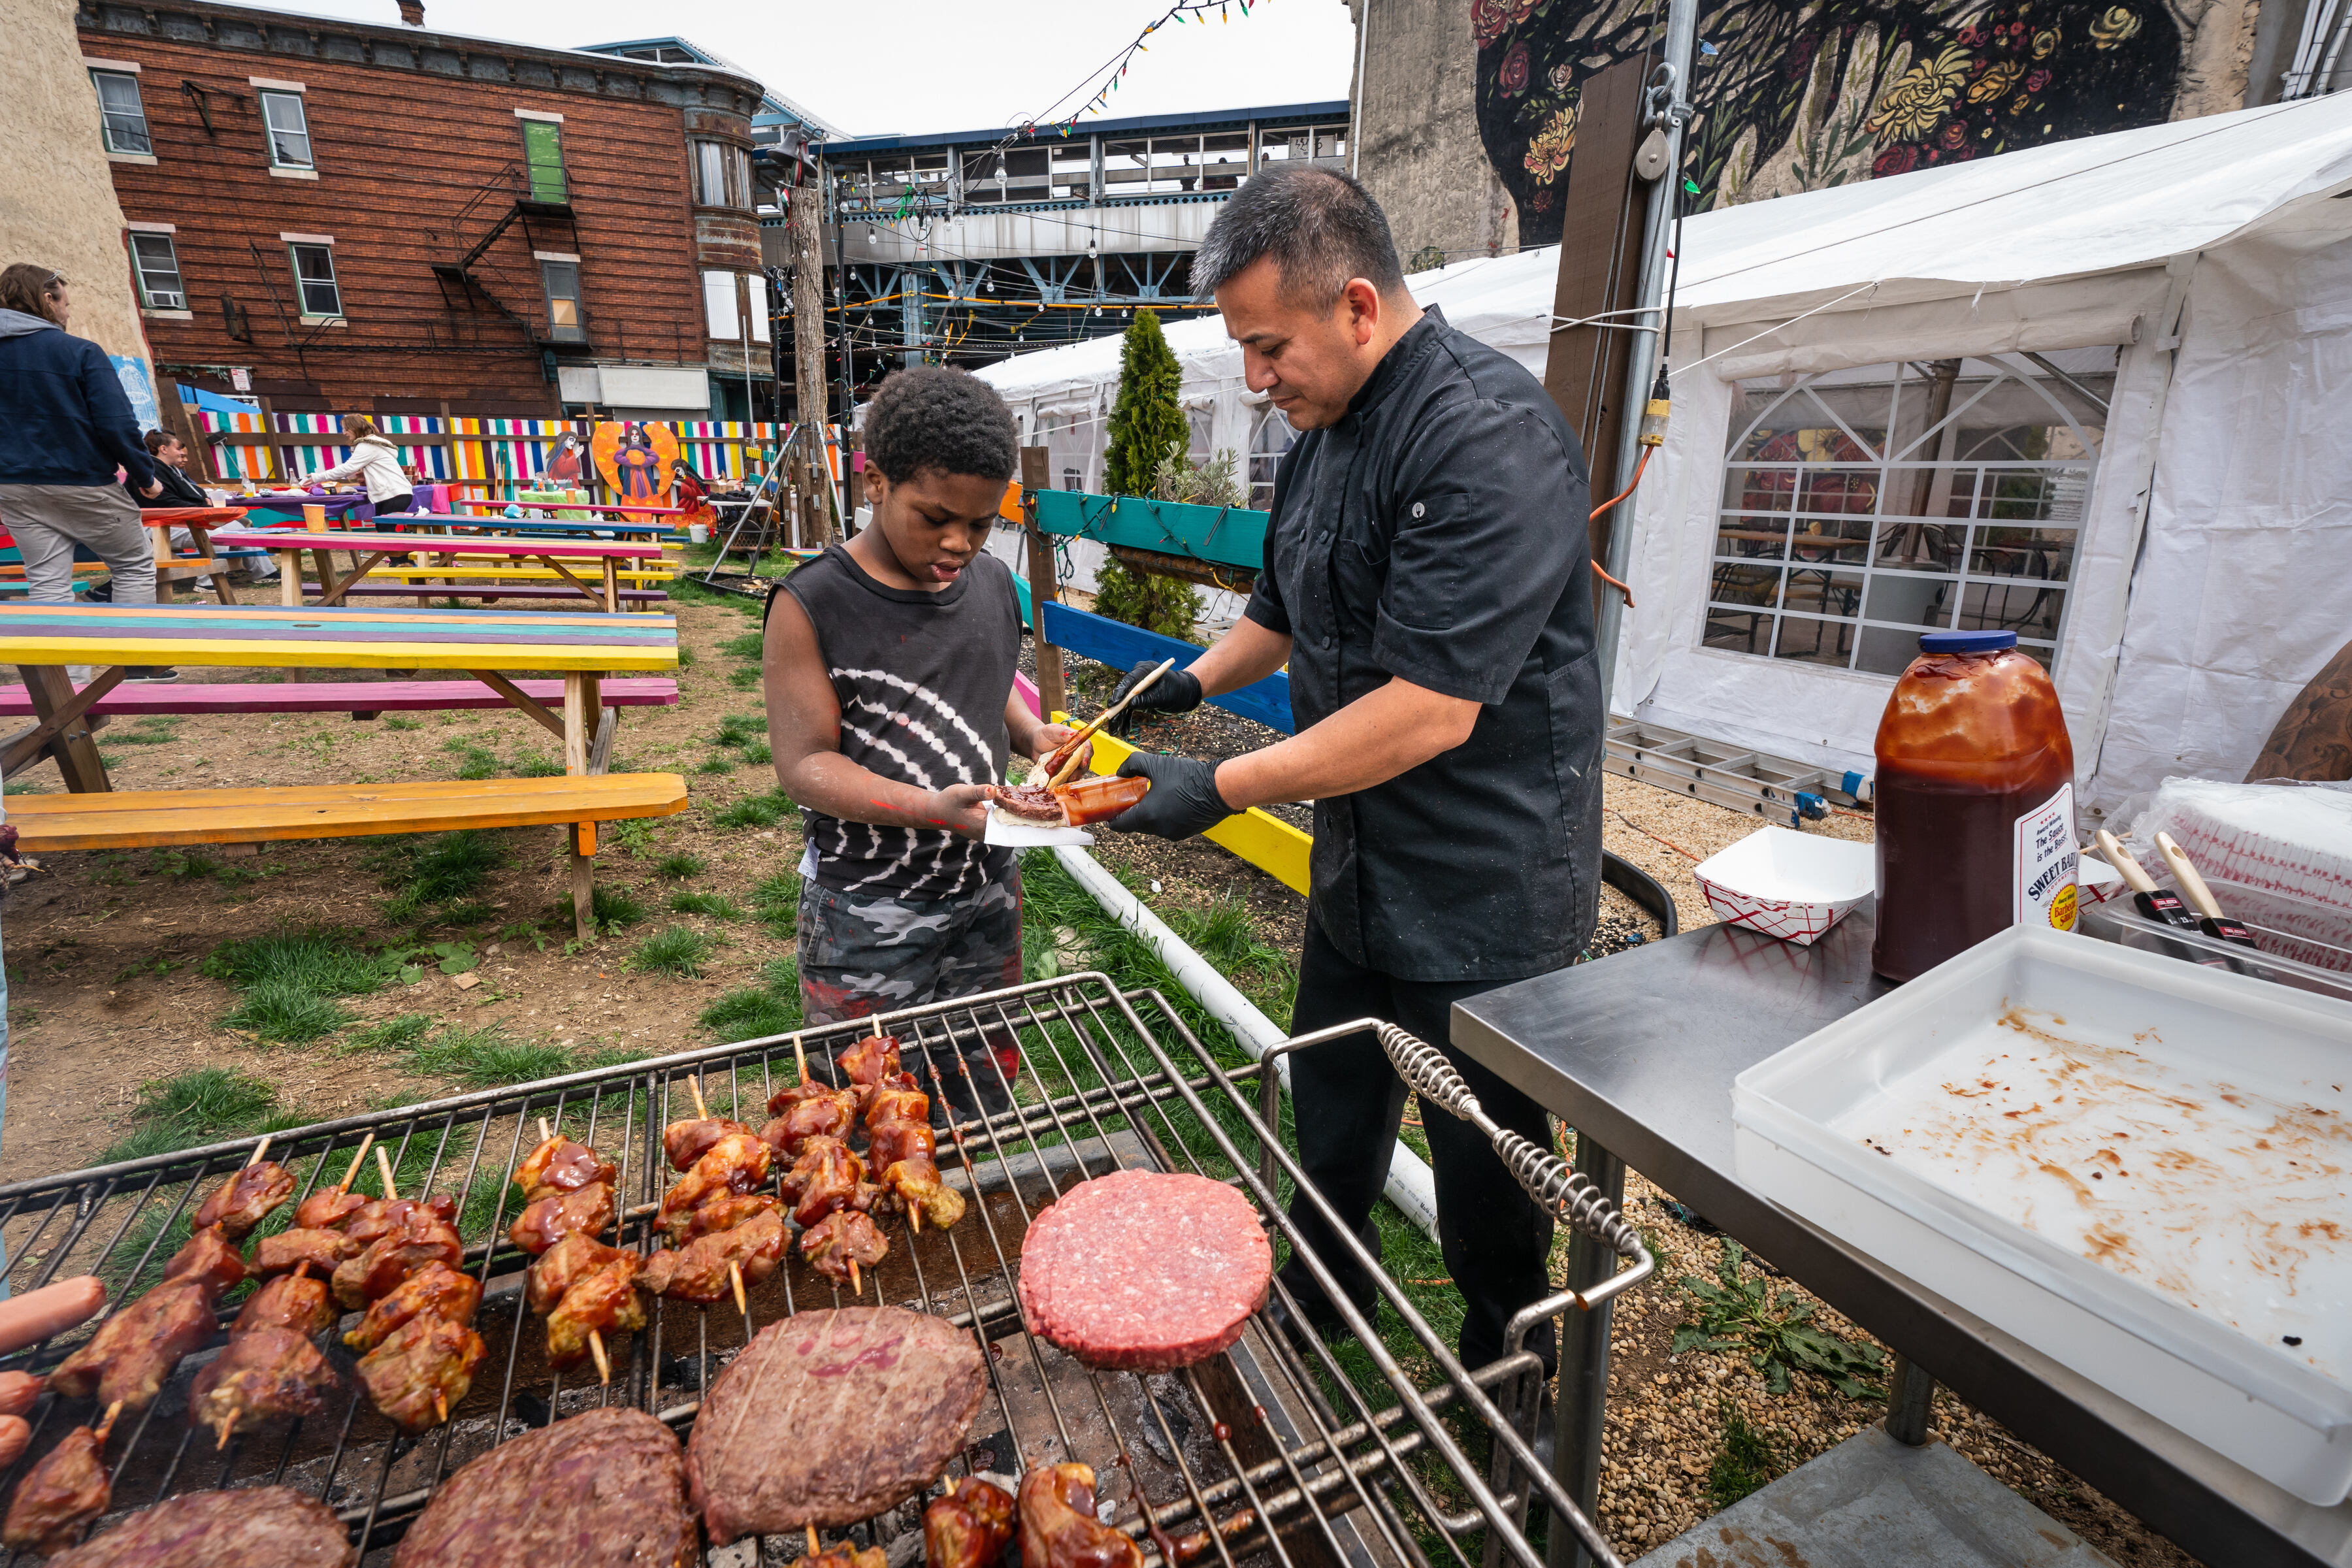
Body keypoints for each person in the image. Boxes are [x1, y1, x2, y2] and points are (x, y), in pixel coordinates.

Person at [1100, 166, 1602, 1380]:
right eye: (1243, 347)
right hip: (1362, 862)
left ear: (1359, 307)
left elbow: (1430, 708)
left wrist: (1217, 788)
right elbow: (1278, 616)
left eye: (1269, 345)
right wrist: (1188, 683)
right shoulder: (1321, 438)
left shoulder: (1486, 438)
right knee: (1329, 1109)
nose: (1256, 378)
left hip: (1482, 877)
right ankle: (1323, 1304)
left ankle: (1509, 1364)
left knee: (1486, 1158)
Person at [762, 367, 1090, 1119]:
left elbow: (982, 677)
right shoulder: (813, 604)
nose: (958, 543)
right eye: (936, 517)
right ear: (875, 481)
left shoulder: (993, 584)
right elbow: (805, 766)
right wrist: (930, 809)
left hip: (986, 892)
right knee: (864, 1115)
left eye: (979, 524)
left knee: (978, 1095)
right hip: (868, 910)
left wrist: (1032, 733)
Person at [299, 414, 414, 515]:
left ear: (355, 428)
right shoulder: (373, 444)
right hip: (395, 493)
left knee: (386, 529)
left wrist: (318, 477)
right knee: (382, 528)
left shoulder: (367, 446)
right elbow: (353, 469)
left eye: (346, 429)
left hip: (394, 494)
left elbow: (348, 468)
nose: (344, 433)